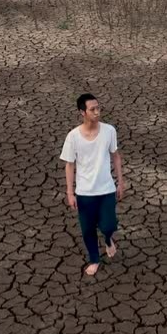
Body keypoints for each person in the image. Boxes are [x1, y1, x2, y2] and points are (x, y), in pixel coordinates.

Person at [60, 93, 126, 276]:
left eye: (98, 108)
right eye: (92, 109)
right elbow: (69, 164)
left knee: (109, 224)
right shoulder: (73, 137)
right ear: (82, 112)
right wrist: (70, 193)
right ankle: (95, 259)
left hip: (106, 189)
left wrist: (120, 182)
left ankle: (108, 239)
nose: (97, 112)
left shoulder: (109, 131)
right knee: (88, 229)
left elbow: (116, 156)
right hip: (85, 192)